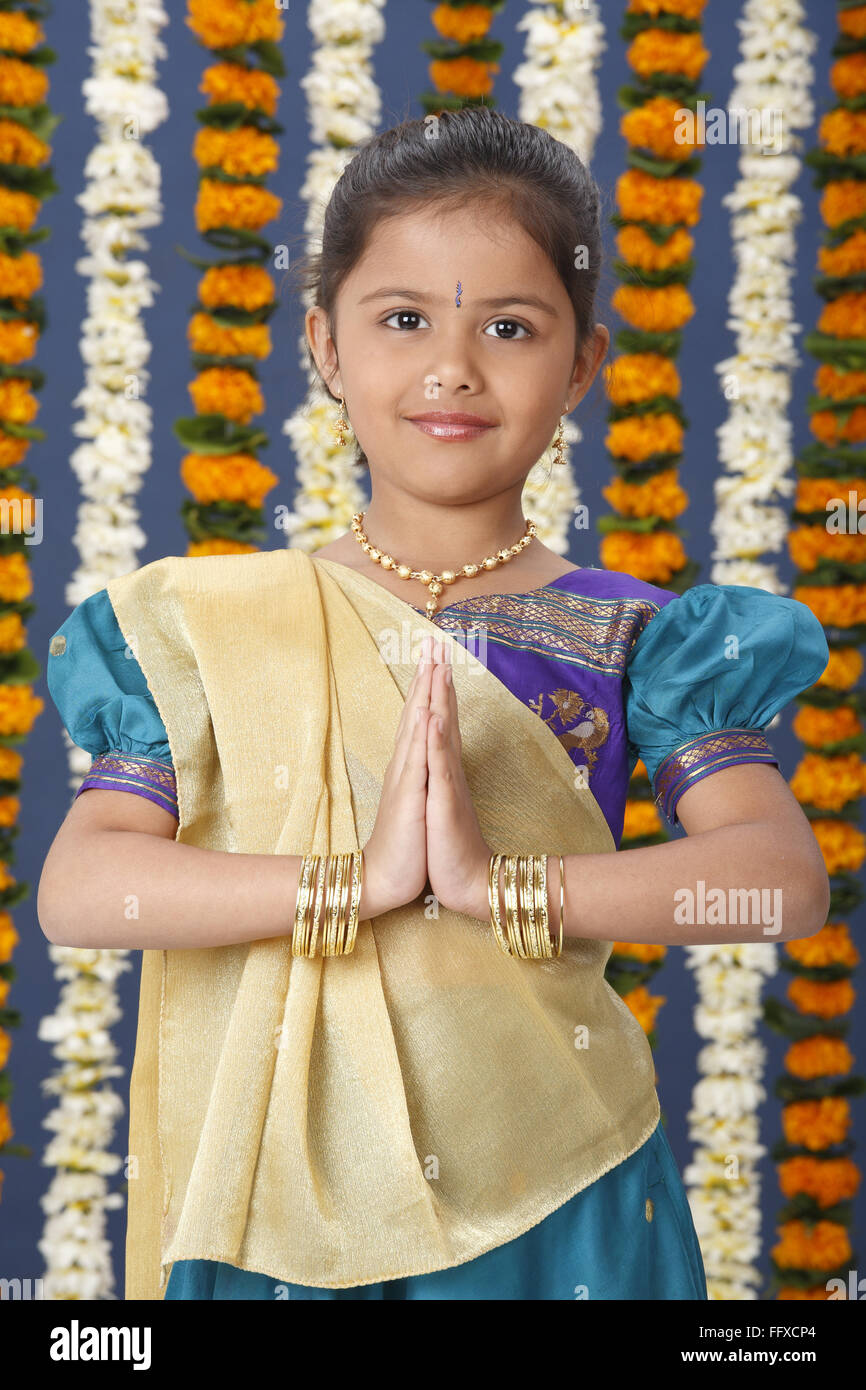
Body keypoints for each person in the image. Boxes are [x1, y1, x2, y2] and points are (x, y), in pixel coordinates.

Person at [39, 107, 831, 1301]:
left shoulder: (640, 636)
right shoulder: (211, 626)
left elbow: (779, 877)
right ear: (324, 343)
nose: (452, 366)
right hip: (284, 1199)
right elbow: (83, 891)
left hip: (557, 1181)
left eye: (507, 327)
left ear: (581, 364)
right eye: (402, 319)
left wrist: (501, 887)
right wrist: (350, 885)